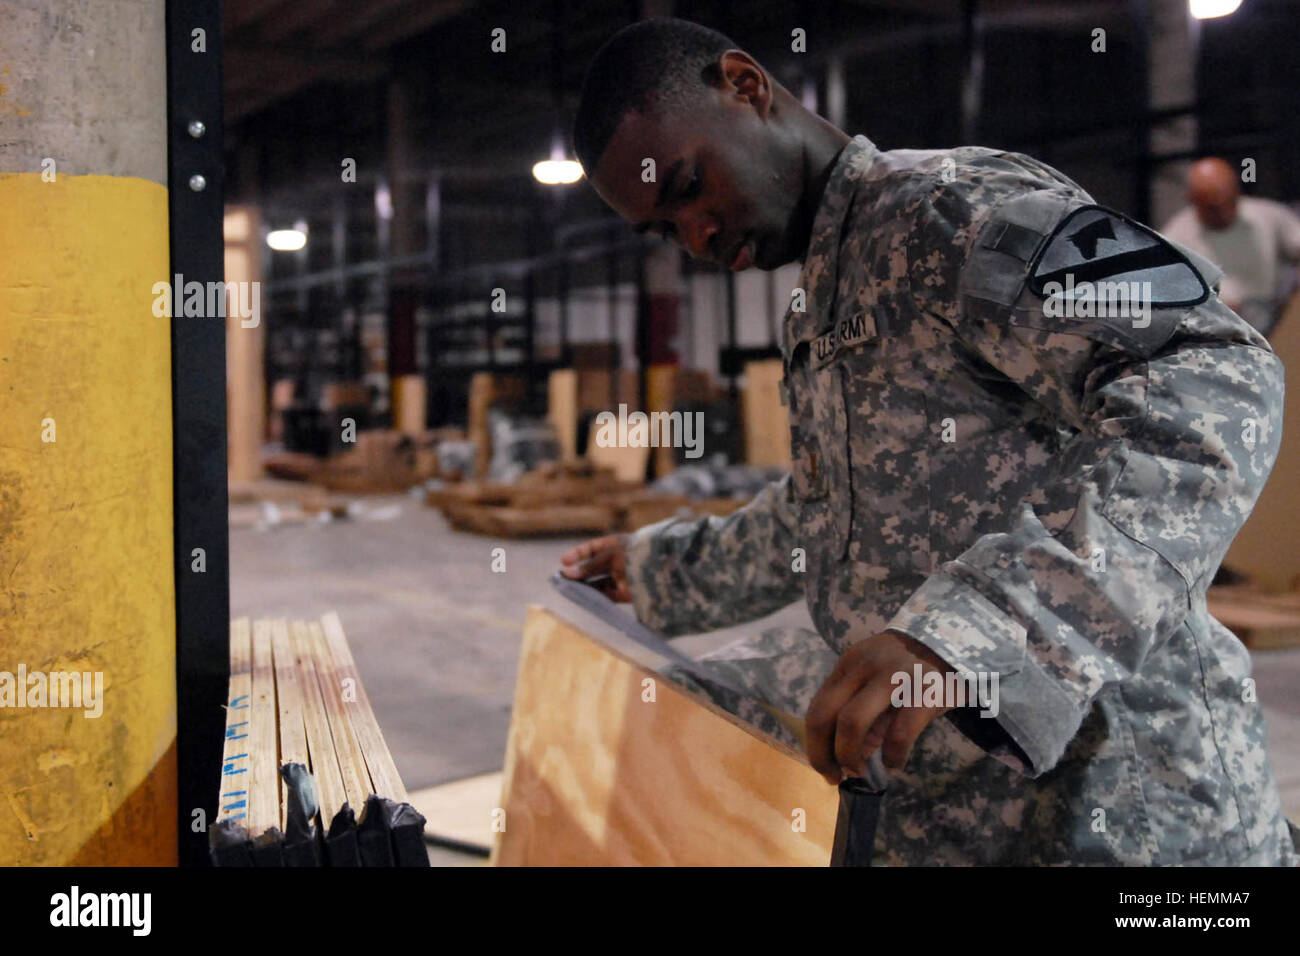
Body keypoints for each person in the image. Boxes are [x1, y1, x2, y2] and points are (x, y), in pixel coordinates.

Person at [559, 17, 1297, 865]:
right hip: (962, 819)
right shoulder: (821, 301)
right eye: (664, 230)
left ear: (745, 84)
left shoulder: (954, 213)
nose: (694, 236)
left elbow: (1210, 368)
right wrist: (654, 568)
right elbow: (823, 516)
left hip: (1125, 812)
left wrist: (981, 625)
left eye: (688, 187)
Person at [1163, 157, 1300, 337]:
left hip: (1272, 316)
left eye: (1229, 202)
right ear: (1193, 201)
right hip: (1209, 327)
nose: (1223, 213)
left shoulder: (1267, 216)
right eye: (1213, 208)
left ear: (1237, 192)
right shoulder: (1175, 236)